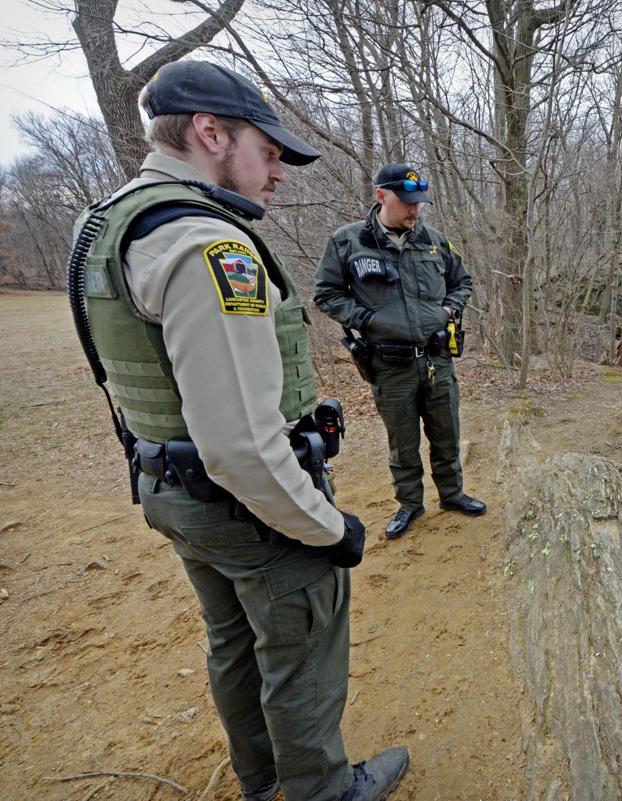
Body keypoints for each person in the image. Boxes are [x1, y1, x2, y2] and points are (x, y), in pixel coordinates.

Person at [69, 60, 408, 801]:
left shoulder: (111, 220)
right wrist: (327, 527)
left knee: (235, 640)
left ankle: (260, 780)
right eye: (268, 150)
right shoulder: (205, 245)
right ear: (209, 131)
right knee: (301, 645)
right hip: (241, 502)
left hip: (170, 485)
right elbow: (240, 446)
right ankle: (322, 789)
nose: (279, 171)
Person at [314, 164, 486, 539]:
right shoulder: (348, 241)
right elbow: (325, 294)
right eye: (406, 202)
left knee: (446, 433)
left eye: (419, 203)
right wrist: (367, 318)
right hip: (389, 363)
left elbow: (463, 281)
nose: (414, 210)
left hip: (436, 359)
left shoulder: (434, 240)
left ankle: (452, 494)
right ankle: (409, 503)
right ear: (381, 196)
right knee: (402, 441)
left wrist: (448, 310)